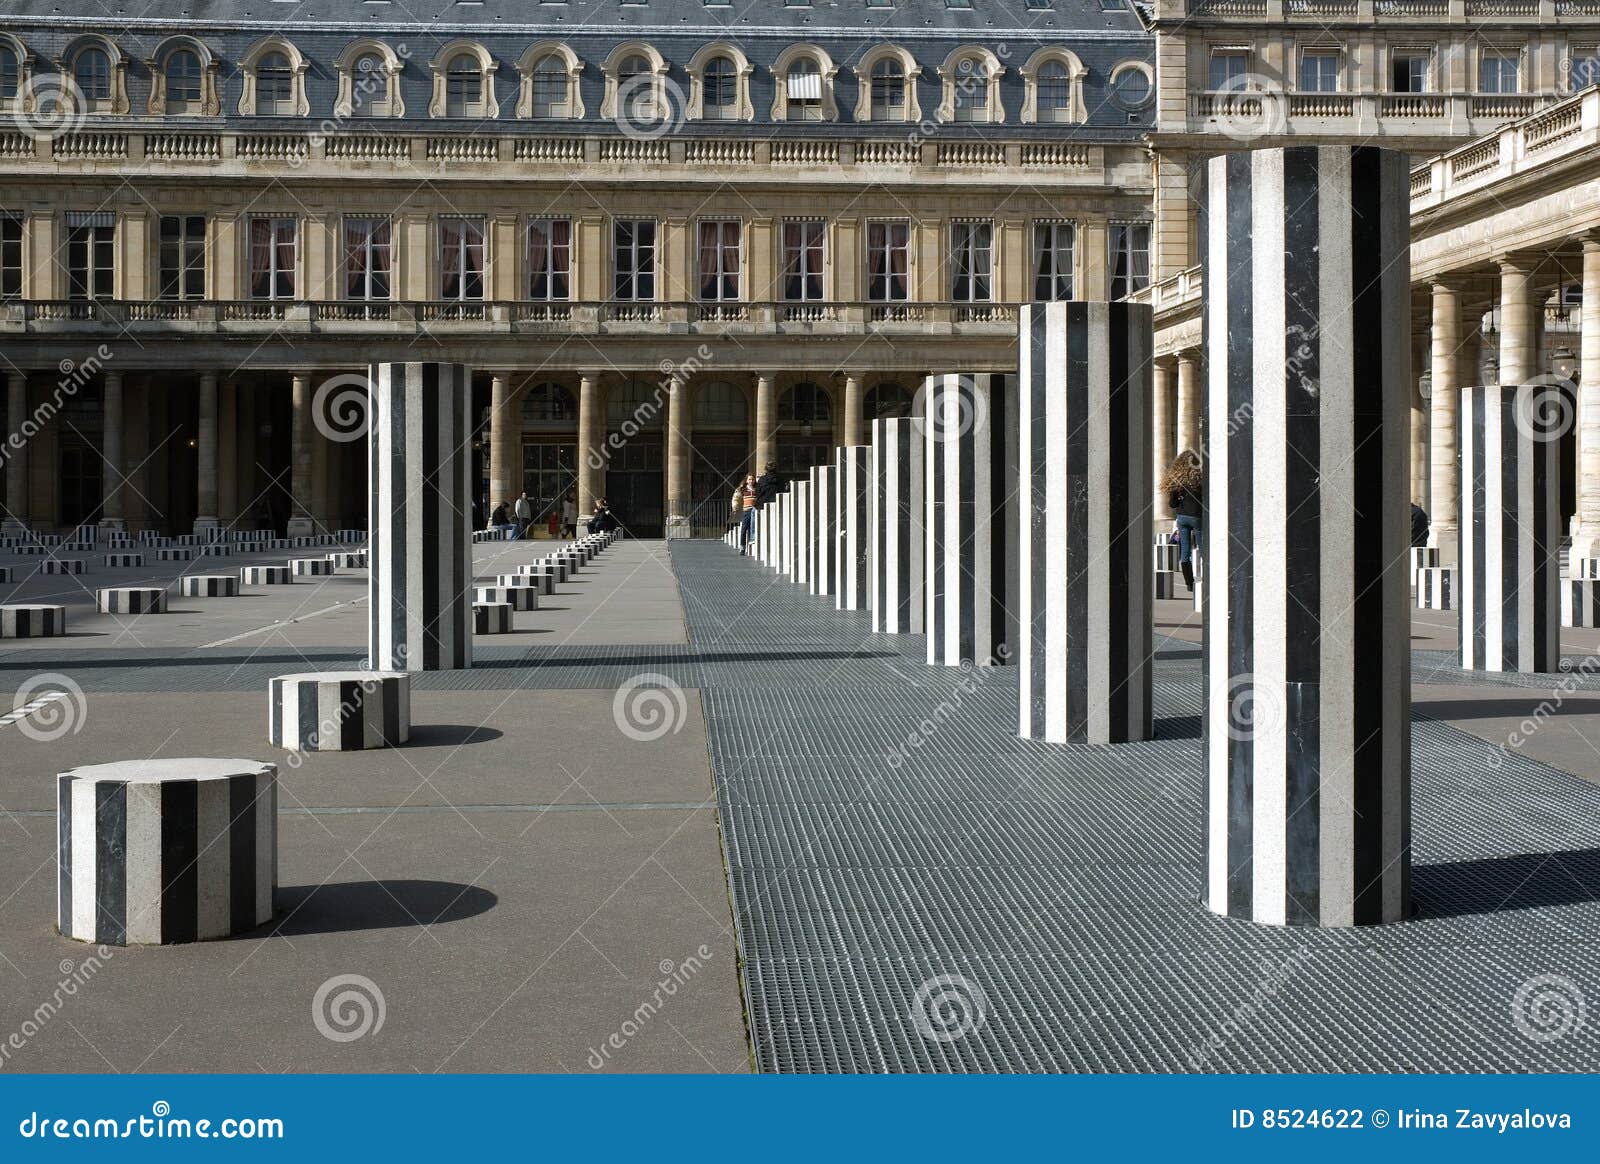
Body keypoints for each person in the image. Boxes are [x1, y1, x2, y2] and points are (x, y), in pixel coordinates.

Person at [1161, 449, 1204, 592]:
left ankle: (1189, 584)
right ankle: (1206, 579)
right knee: (1204, 550)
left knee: (1185, 552)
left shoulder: (1178, 482)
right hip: (1197, 517)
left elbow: (1172, 504)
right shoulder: (1199, 480)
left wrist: (1179, 500)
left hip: (1182, 518)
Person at [737, 474, 758, 554]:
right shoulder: (743, 490)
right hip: (746, 511)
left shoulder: (756, 489)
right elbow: (737, 498)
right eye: (749, 479)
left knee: (752, 528)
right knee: (744, 529)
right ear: (746, 480)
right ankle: (742, 547)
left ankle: (751, 545)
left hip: (754, 510)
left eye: (752, 479)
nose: (751, 481)